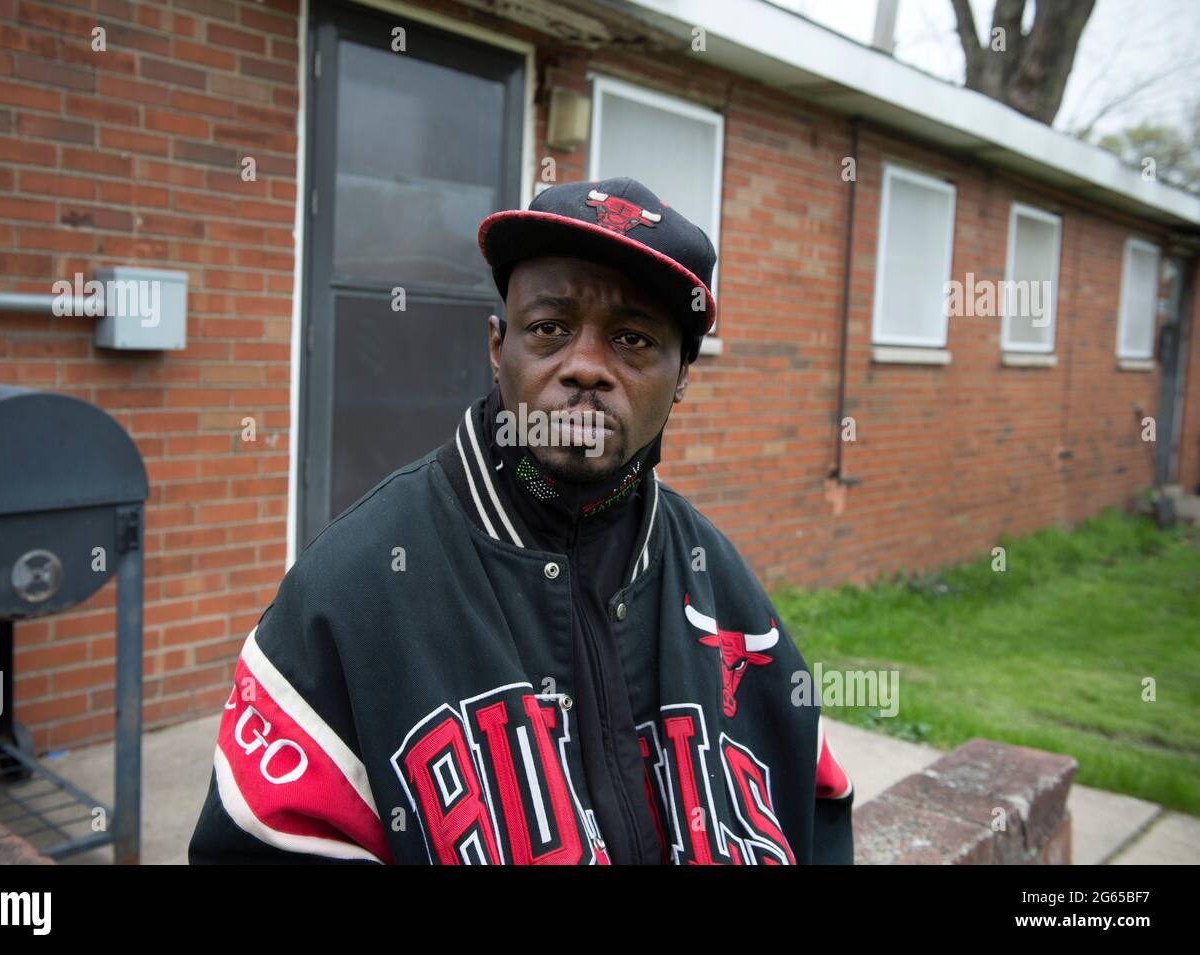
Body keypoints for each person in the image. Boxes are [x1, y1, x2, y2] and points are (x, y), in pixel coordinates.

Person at [188, 176, 854, 865]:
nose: (587, 366)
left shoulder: (718, 585)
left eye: (633, 338)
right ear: (497, 346)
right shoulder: (354, 589)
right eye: (550, 328)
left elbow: (816, 807)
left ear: (683, 374)